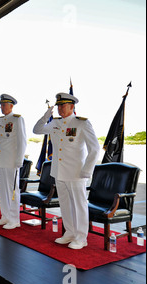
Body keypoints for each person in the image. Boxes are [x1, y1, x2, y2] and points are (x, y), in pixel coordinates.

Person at [33, 92, 99, 249]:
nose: (59, 108)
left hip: (76, 172)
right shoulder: (55, 123)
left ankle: (81, 238)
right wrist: (45, 116)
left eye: (63, 105)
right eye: (58, 106)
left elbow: (95, 148)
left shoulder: (82, 123)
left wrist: (86, 170)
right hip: (59, 172)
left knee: (79, 205)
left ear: (72, 106)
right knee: (65, 204)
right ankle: (69, 233)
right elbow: (37, 130)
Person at [0, 94, 27, 229]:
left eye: (4, 105)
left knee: (13, 190)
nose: (1, 107)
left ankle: (14, 219)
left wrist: (19, 160)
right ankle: (5, 216)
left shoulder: (17, 119)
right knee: (3, 190)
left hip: (12, 161)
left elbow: (22, 141)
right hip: (1, 161)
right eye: (1, 105)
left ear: (11, 106)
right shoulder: (0, 120)